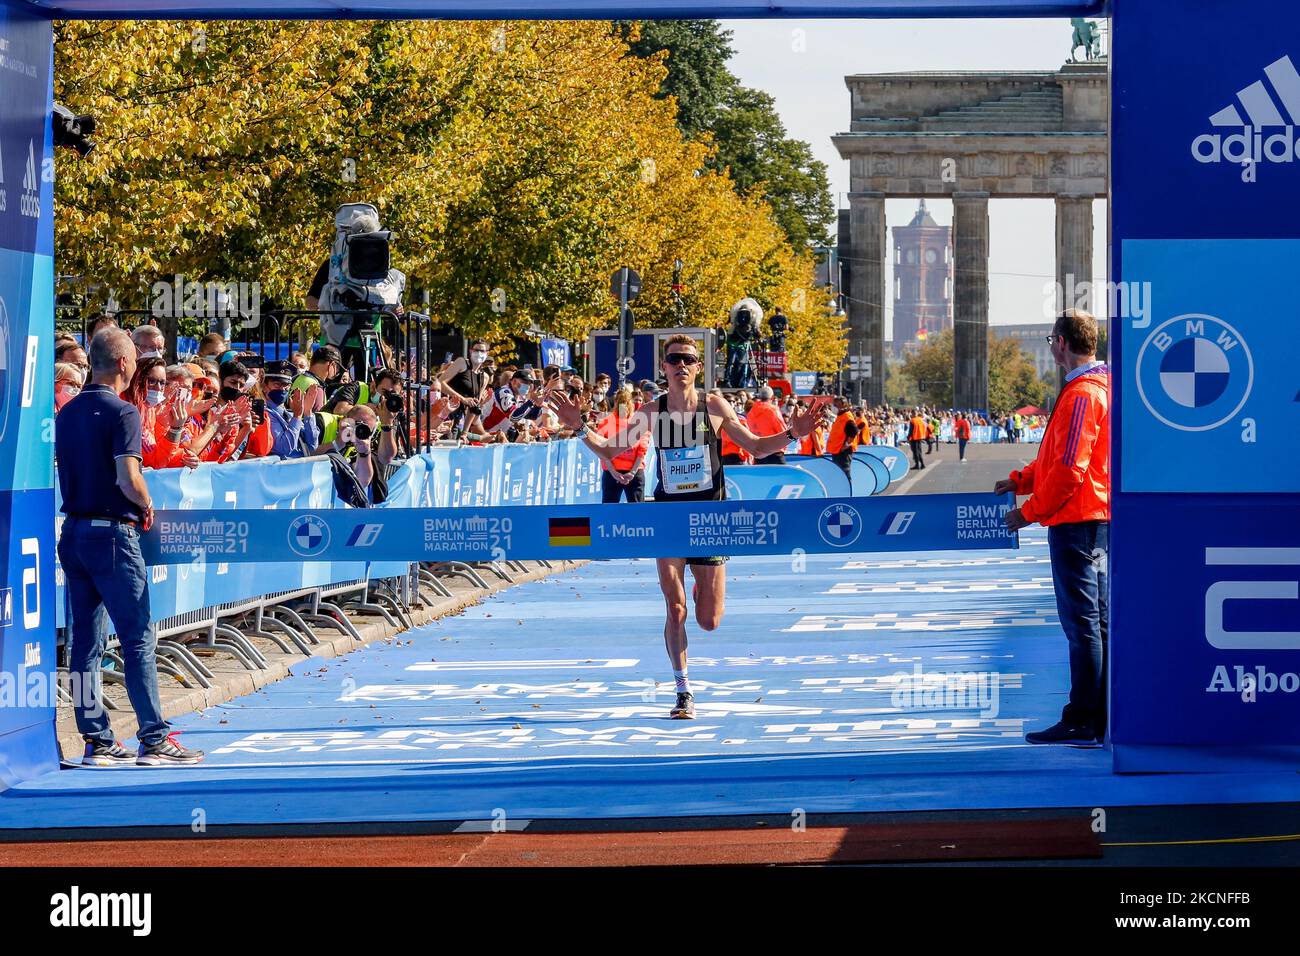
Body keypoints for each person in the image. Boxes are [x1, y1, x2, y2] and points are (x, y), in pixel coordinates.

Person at [553, 334, 822, 719]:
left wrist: (795, 433)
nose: (681, 365)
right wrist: (579, 427)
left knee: (708, 620)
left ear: (698, 367)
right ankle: (683, 691)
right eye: (673, 359)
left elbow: (758, 447)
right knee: (675, 608)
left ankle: (701, 583)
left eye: (688, 359)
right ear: (663, 368)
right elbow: (613, 450)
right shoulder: (650, 411)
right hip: (669, 517)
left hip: (710, 517)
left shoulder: (713, 406)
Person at [55, 328, 204, 767]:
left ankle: (96, 740)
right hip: (113, 535)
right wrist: (148, 502)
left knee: (85, 642)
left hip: (75, 532)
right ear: (123, 364)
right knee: (138, 639)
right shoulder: (123, 413)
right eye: (135, 361)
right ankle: (154, 739)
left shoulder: (68, 413)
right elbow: (128, 476)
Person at [997, 309, 1110, 746]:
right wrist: (1024, 479)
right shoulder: (1102, 388)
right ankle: (1100, 714)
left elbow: (1068, 469)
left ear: (1061, 343)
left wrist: (1028, 511)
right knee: (1098, 623)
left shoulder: (1082, 393)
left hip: (1076, 520)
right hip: (1097, 517)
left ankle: (1084, 718)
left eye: (1051, 340)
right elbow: (1064, 459)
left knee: (1083, 625)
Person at [597, 385, 650, 502]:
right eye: (621, 403)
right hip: (614, 472)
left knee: (635, 510)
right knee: (610, 509)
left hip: (633, 472)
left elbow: (642, 450)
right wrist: (613, 471)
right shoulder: (606, 422)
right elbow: (601, 448)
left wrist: (632, 472)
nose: (624, 407)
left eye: (625, 403)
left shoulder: (639, 421)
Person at [746, 385, 788, 465]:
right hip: (775, 452)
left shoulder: (751, 412)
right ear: (772, 398)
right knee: (782, 476)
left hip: (759, 453)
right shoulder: (773, 410)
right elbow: (783, 431)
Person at [825, 396, 858, 481]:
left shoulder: (847, 417)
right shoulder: (840, 416)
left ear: (843, 405)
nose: (834, 407)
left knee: (845, 474)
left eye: (836, 405)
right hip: (837, 451)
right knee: (839, 475)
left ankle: (848, 493)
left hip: (843, 452)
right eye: (834, 404)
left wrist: (846, 445)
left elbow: (854, 432)